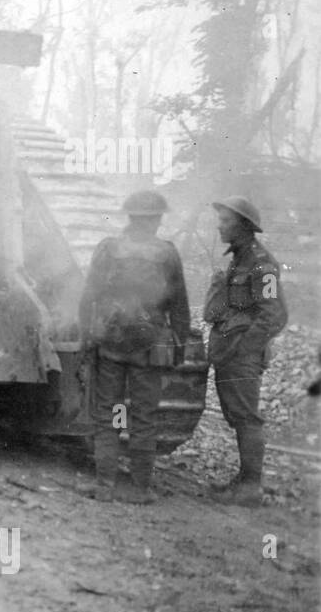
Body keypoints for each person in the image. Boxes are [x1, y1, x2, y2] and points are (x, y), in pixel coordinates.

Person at [78, 190, 191, 504]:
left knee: (111, 413)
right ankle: (140, 489)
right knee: (144, 417)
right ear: (156, 219)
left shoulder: (109, 249)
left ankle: (105, 485)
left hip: (111, 343)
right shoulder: (167, 253)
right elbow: (179, 305)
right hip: (149, 348)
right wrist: (178, 348)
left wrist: (87, 335)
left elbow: (89, 296)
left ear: (130, 217)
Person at [204, 196, 287, 507]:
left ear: (243, 226)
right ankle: (244, 480)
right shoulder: (239, 259)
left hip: (240, 354)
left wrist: (246, 349)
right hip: (229, 350)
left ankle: (251, 486)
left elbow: (274, 313)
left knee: (247, 418)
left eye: (225, 221)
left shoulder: (261, 264)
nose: (219, 225)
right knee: (238, 416)